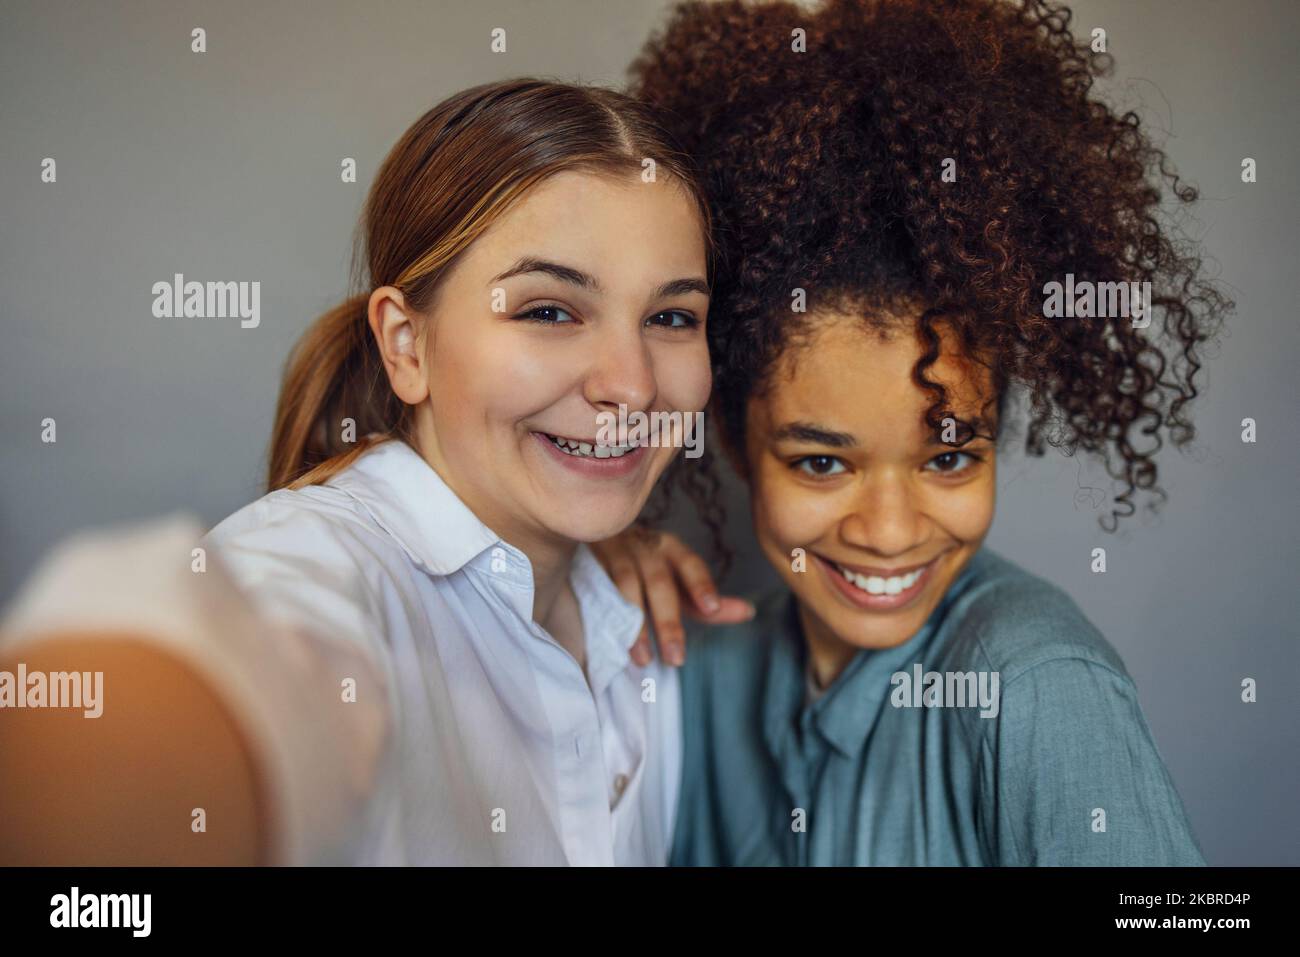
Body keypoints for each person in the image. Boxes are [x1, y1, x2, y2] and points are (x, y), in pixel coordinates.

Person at [0, 77, 715, 866]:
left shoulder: (639, 622)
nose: (633, 383)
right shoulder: (330, 574)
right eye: (548, 310)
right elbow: (198, 664)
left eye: (672, 316)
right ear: (406, 344)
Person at [594, 0, 1229, 864]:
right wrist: (577, 571)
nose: (890, 531)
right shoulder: (702, 672)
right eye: (822, 460)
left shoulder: (1037, 688)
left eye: (951, 455)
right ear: (736, 442)